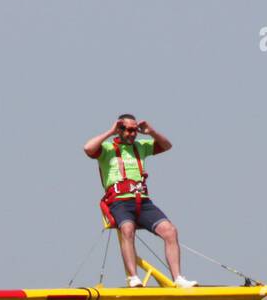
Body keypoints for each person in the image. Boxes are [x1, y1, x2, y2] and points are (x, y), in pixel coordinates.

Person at [82, 115, 197, 289]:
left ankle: (178, 278)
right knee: (127, 228)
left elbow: (167, 145)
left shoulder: (141, 147)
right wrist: (111, 131)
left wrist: (151, 131)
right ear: (120, 130)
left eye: (134, 130)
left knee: (170, 231)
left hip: (142, 200)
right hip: (119, 201)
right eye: (128, 129)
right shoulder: (106, 148)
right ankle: (133, 277)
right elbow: (88, 148)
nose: (132, 134)